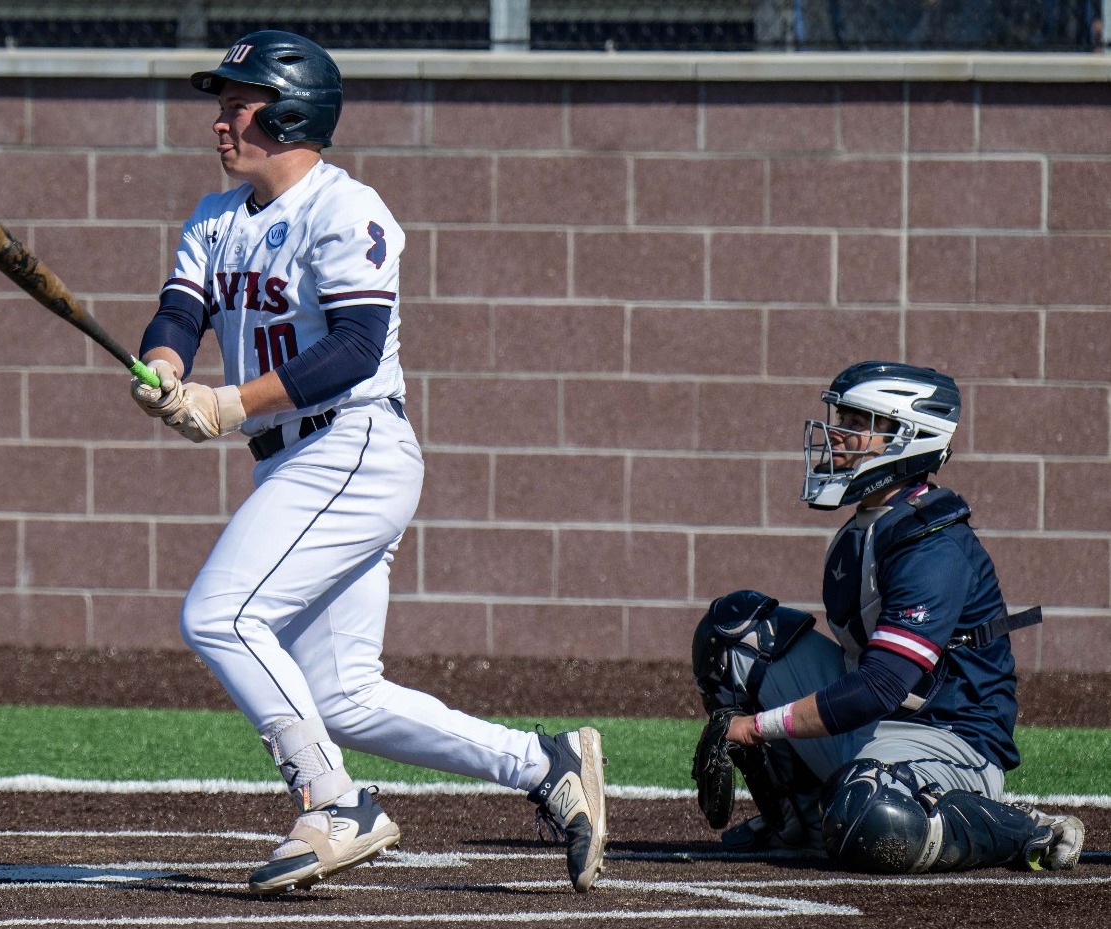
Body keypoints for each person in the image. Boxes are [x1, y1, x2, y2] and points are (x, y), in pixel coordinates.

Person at [127, 30, 606, 896]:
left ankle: (332, 800)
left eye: (238, 103)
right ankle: (545, 763)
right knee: (342, 695)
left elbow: (353, 347)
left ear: (293, 113)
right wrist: (164, 367)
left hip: (352, 443)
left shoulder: (347, 209)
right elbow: (178, 310)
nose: (221, 121)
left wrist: (228, 402)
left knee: (220, 615)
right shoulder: (212, 218)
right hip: (291, 461)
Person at [691, 360, 1085, 873]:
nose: (837, 436)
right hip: (880, 720)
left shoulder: (934, 547)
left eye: (857, 425)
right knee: (735, 634)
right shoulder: (875, 521)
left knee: (870, 815)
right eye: (842, 421)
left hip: (950, 738)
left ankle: (1024, 830)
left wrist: (755, 728)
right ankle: (800, 822)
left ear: (910, 436)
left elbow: (880, 686)